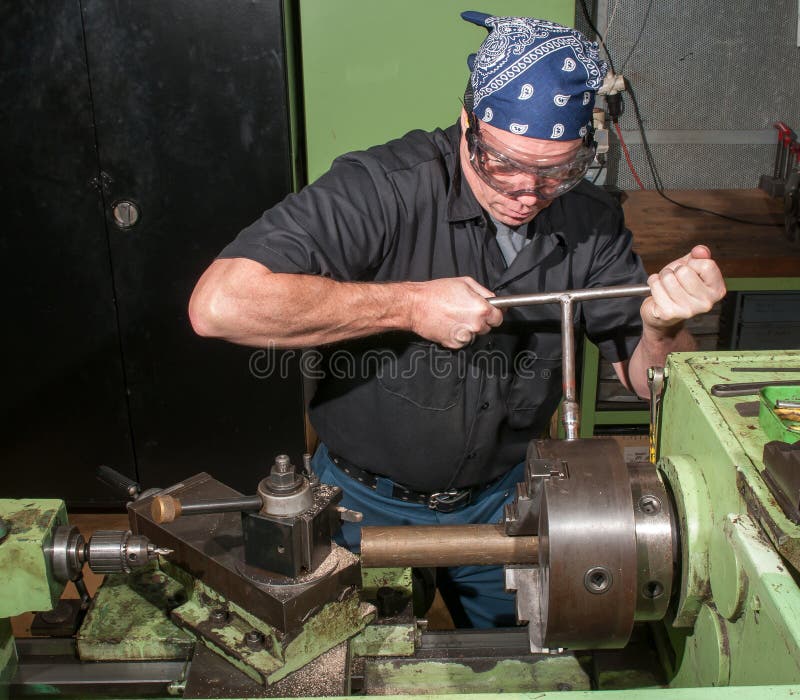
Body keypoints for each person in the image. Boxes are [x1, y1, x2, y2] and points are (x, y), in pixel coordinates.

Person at [189, 12, 725, 628]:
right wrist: (408, 305)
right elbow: (219, 305)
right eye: (506, 164)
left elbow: (645, 377)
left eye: (557, 171)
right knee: (359, 661)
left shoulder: (590, 221)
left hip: (510, 502)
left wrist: (660, 327)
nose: (527, 192)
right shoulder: (382, 190)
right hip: (363, 503)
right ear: (469, 123)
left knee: (520, 665)